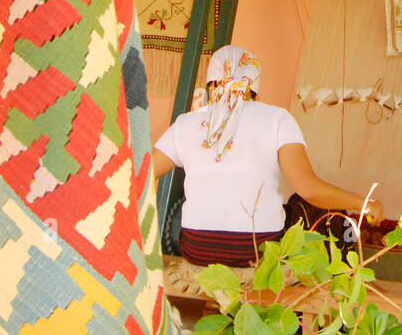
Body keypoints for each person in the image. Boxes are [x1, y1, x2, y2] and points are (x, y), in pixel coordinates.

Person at [152, 44, 383, 268]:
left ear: (211, 84)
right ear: (254, 87)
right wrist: (364, 204)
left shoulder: (187, 122)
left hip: (197, 246)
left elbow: (142, 175)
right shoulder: (277, 119)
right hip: (256, 248)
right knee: (314, 209)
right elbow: (309, 190)